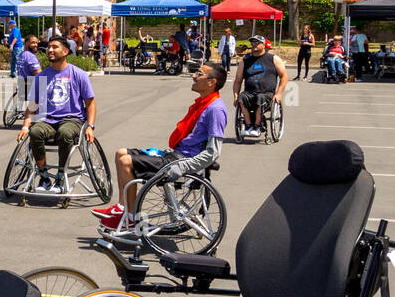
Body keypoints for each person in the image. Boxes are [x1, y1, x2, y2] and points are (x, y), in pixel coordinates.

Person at [93, 62, 228, 231]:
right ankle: (122, 208)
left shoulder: (216, 109)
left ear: (211, 82)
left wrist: (182, 166)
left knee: (126, 161)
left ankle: (131, 218)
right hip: (176, 155)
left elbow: (213, 152)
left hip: (182, 162)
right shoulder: (203, 104)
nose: (193, 76)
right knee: (121, 153)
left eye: (198, 73)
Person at [17, 37, 96, 193]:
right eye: (49, 47)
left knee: (65, 133)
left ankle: (60, 176)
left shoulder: (78, 74)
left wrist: (91, 126)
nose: (50, 50)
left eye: (55, 47)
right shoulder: (41, 77)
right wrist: (26, 126)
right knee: (35, 132)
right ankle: (44, 177)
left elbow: (90, 103)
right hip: (48, 119)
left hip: (72, 119)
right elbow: (32, 105)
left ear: (65, 51)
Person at [234, 34, 287, 136]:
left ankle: (258, 126)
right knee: (241, 97)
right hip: (249, 92)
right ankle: (249, 125)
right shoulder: (245, 60)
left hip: (267, 93)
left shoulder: (273, 59)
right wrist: (235, 95)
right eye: (252, 43)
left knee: (260, 97)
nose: (254, 45)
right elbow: (238, 80)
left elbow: (284, 77)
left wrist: (279, 93)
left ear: (263, 45)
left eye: (257, 42)